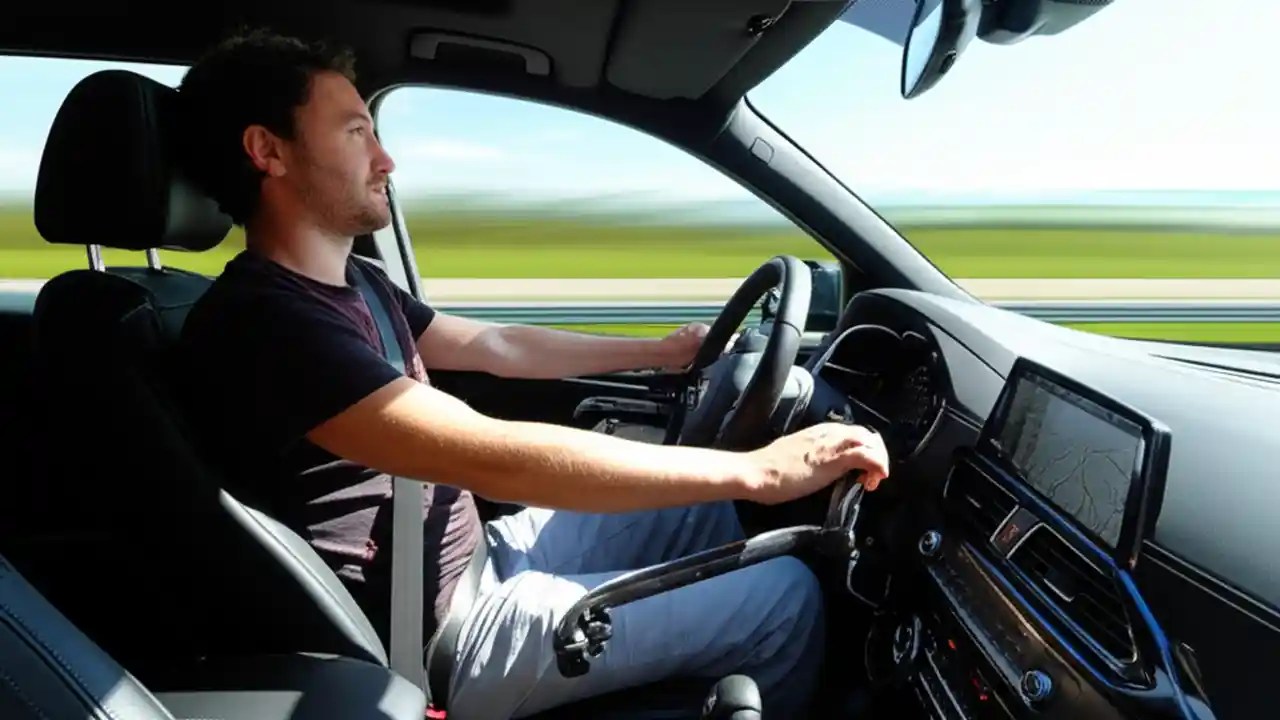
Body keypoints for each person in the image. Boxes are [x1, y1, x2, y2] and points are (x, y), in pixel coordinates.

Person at [173, 29, 890, 720]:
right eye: (358, 132)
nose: (386, 160)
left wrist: (658, 351)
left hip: (473, 558)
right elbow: (491, 456)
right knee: (784, 599)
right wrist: (761, 471)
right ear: (269, 151)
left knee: (701, 509)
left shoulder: (356, 282)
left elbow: (497, 344)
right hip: (439, 636)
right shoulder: (264, 324)